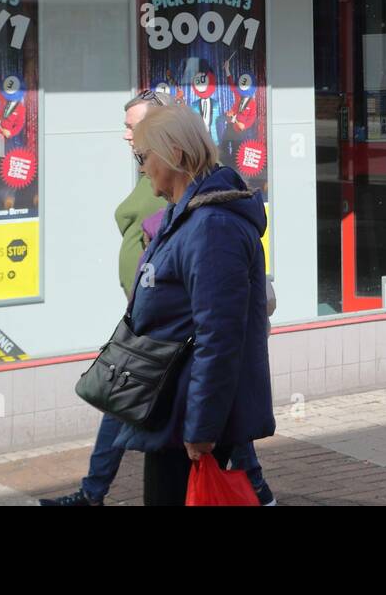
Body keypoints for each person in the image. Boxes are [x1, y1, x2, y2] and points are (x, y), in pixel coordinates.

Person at [119, 103, 275, 506]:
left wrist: (202, 427)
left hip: (188, 419)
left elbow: (219, 337)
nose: (141, 167)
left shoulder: (212, 228)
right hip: (172, 407)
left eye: (144, 155)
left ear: (177, 154)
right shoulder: (187, 216)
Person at [40, 89, 170, 507]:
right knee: (120, 394)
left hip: (166, 320)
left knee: (126, 393)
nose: (124, 135)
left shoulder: (179, 174)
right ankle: (92, 492)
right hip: (145, 315)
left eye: (131, 126)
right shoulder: (150, 171)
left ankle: (257, 492)